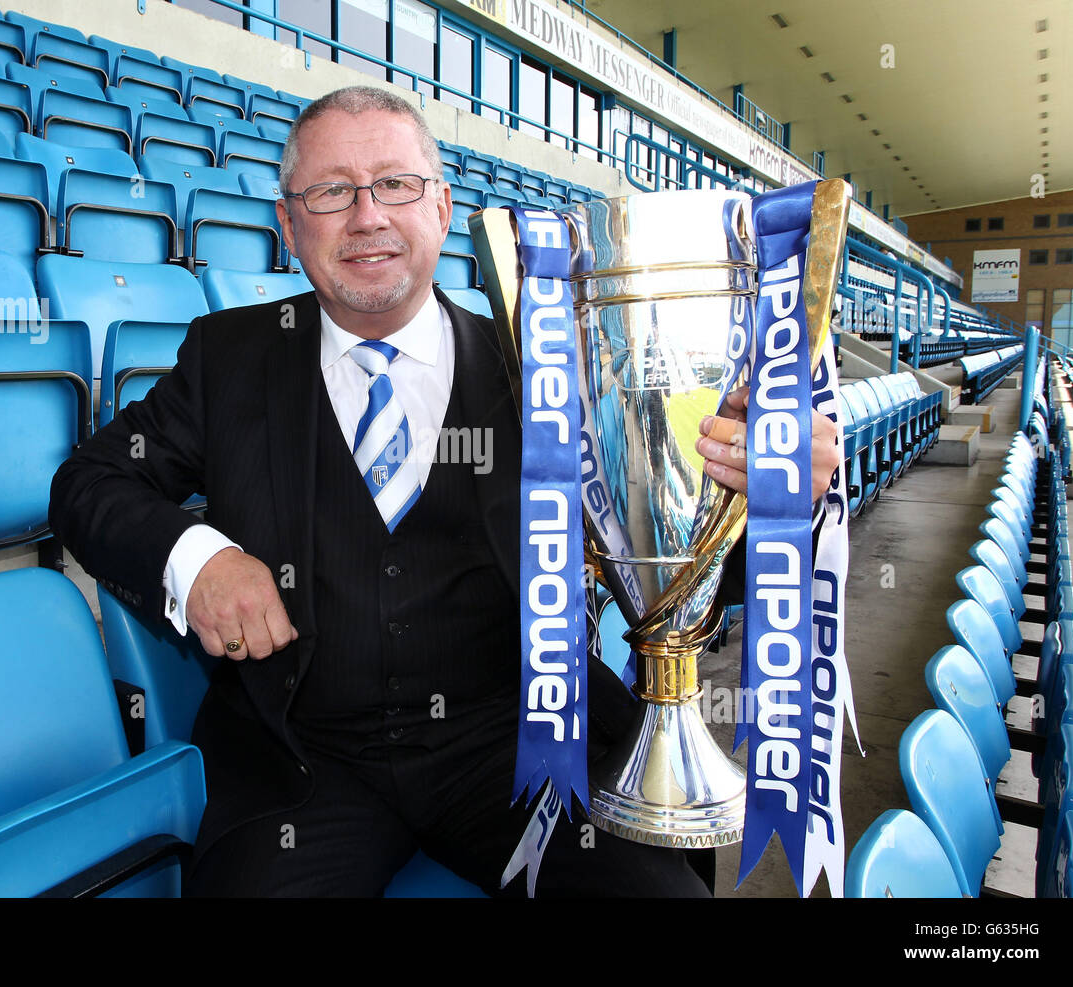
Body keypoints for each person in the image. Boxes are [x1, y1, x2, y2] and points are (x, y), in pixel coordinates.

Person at [48, 85, 841, 897]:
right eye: (331, 192)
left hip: (521, 742)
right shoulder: (229, 357)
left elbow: (666, 570)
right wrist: (196, 557)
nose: (367, 216)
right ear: (289, 226)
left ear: (441, 207)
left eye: (394, 184)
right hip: (304, 762)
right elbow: (86, 483)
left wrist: (776, 501)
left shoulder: (547, 361)